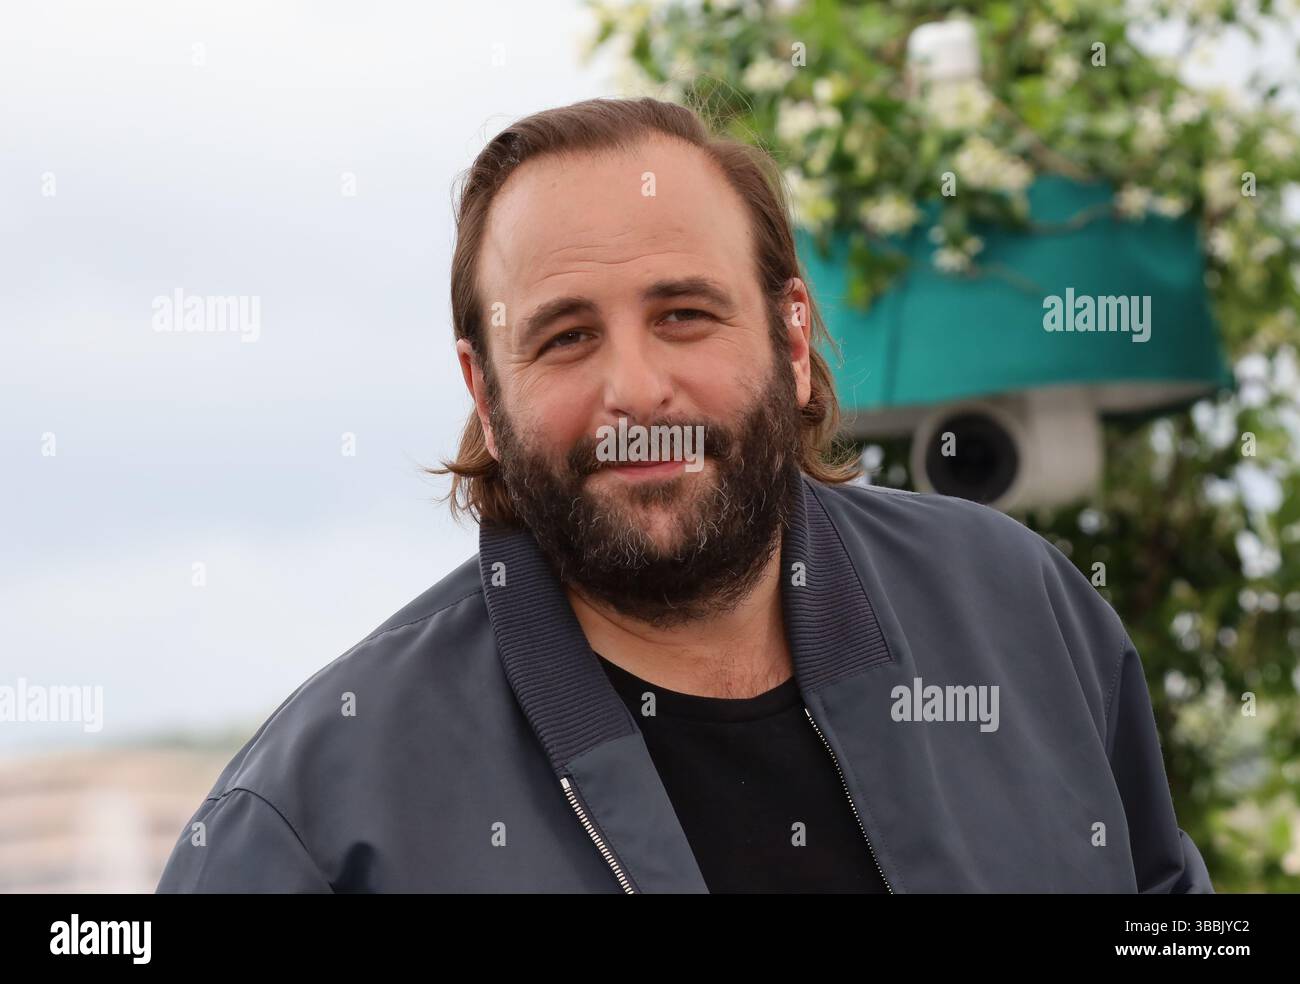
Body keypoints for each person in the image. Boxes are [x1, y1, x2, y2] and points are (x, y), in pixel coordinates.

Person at [156, 96, 1213, 893]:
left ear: (791, 339)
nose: (635, 389)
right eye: (566, 337)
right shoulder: (318, 813)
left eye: (684, 314)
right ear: (486, 388)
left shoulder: (1017, 609)